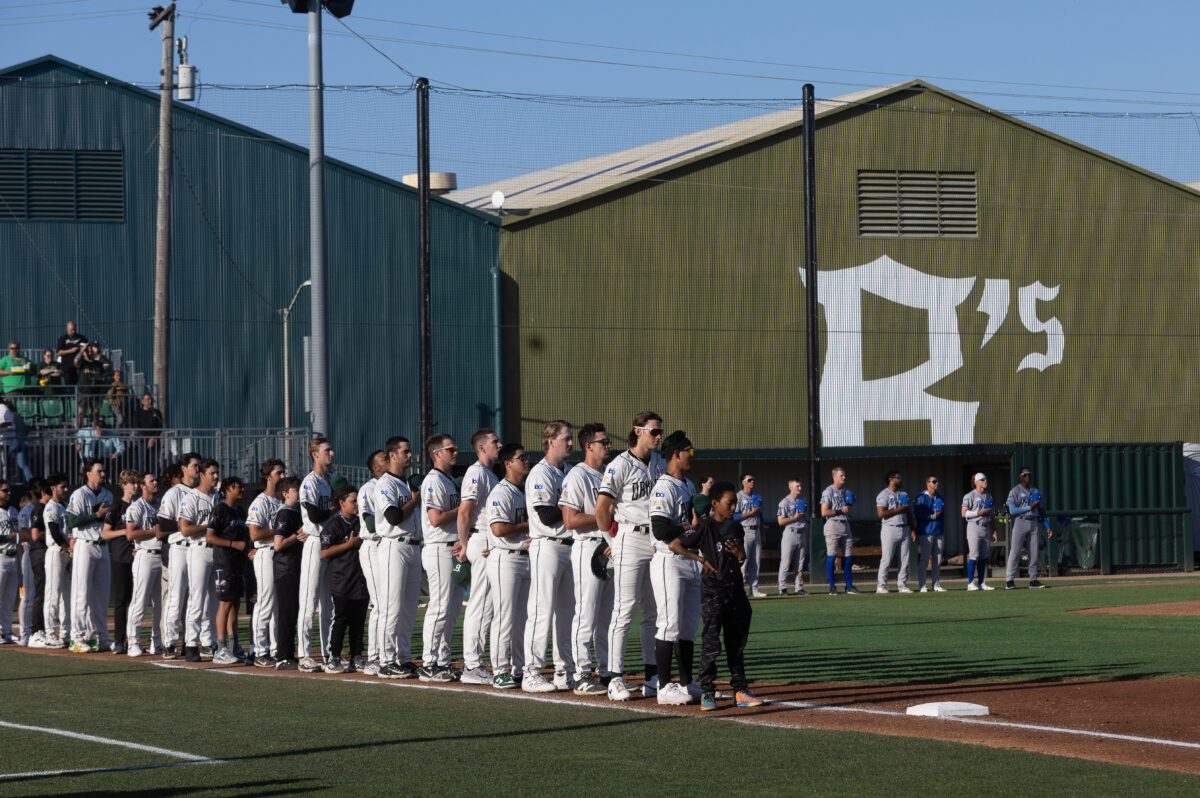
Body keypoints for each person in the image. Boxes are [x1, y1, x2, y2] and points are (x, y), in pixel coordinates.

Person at [673, 481, 763, 711]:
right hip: (713, 592)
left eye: (735, 503)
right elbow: (676, 544)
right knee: (711, 644)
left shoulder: (735, 528)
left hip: (736, 592)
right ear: (715, 503)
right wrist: (701, 560)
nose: (733, 507)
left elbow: (739, 558)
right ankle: (707, 692)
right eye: (729, 503)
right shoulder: (705, 526)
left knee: (737, 644)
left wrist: (741, 555)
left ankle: (740, 690)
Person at [595, 411, 666, 701]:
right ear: (637, 431)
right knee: (623, 610)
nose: (658, 435)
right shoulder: (619, 464)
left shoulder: (660, 462)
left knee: (653, 612)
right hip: (629, 537)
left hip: (656, 539)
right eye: (653, 431)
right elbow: (602, 507)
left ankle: (652, 677)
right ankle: (615, 677)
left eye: (660, 431)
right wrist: (609, 539)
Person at [648, 431, 702, 706]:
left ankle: (685, 682)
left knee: (688, 627)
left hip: (690, 560)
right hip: (668, 559)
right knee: (668, 623)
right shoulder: (664, 486)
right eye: (688, 451)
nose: (692, 456)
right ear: (676, 454)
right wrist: (688, 528)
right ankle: (663, 685)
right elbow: (659, 528)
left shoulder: (689, 485)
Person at [523, 420, 577, 693]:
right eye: (566, 438)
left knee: (567, 612)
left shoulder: (567, 471)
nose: (570, 442)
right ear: (550, 441)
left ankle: (563, 671)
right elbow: (546, 514)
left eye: (571, 438)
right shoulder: (540, 473)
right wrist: (571, 505)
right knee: (541, 610)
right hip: (548, 544)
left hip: (569, 545)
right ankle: (531, 671)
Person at [560, 422, 613, 696]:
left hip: (609, 547)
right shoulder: (577, 475)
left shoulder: (606, 474)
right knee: (586, 612)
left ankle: (606, 673)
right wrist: (604, 515)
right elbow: (570, 520)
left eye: (608, 442)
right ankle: (580, 673)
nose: (608, 446)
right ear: (588, 446)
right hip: (587, 545)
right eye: (603, 442)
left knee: (607, 616)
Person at [374, 436, 422, 680]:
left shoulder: (406, 483)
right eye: (405, 451)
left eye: (410, 451)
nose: (410, 455)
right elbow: (393, 517)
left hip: (413, 546)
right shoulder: (385, 484)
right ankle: (384, 660)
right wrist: (414, 501)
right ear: (392, 455)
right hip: (394, 546)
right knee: (391, 607)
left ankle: (403, 657)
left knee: (409, 608)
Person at [456, 428, 501, 686]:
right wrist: (464, 545)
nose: (499, 444)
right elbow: (465, 512)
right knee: (481, 604)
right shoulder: (476, 472)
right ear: (482, 447)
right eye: (494, 442)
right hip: (481, 539)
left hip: (486, 539)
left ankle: (476, 663)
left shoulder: (487, 473)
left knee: (488, 605)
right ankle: (472, 665)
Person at [486, 443, 531, 689]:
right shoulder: (500, 492)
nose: (526, 460)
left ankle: (519, 669)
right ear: (507, 463)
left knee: (523, 618)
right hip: (505, 558)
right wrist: (529, 525)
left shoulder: (523, 490)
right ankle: (500, 670)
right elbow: (499, 529)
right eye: (520, 457)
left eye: (526, 456)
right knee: (505, 618)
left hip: (524, 557)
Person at [297, 437, 335, 673]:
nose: (331, 453)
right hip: (314, 542)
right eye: (326, 450)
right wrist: (334, 508)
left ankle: (329, 652)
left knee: (328, 604)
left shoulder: (329, 481)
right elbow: (313, 516)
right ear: (315, 454)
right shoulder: (309, 482)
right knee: (309, 601)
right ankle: (304, 654)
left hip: (329, 544)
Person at [67, 458, 113, 653]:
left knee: (102, 597)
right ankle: (76, 638)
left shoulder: (108, 494)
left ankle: (102, 637)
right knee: (81, 594)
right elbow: (72, 520)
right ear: (88, 473)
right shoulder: (79, 494)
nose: (103, 474)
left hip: (103, 546)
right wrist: (96, 515)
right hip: (85, 545)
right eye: (99, 471)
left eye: (103, 471)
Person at [321, 484, 368, 673]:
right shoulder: (333, 525)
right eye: (353, 501)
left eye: (358, 500)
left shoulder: (361, 522)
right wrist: (349, 545)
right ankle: (333, 656)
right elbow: (325, 553)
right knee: (340, 619)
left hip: (360, 579)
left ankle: (356, 655)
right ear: (342, 503)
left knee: (358, 621)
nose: (357, 504)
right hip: (341, 580)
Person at [178, 459, 220, 661]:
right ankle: (191, 644)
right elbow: (185, 529)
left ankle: (210, 643)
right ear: (202, 475)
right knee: (197, 599)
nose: (216, 476)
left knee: (214, 601)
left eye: (217, 473)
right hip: (199, 550)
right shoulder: (191, 497)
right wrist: (209, 526)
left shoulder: (218, 497)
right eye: (212, 473)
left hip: (217, 550)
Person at [157, 455, 198, 659]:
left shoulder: (203, 493)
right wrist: (186, 525)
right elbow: (163, 526)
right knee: (176, 597)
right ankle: (170, 643)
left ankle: (191, 643)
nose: (197, 469)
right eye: (194, 466)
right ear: (183, 468)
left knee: (195, 599)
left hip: (198, 548)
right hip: (179, 547)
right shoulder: (173, 493)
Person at [209, 476, 249, 664]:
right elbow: (210, 537)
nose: (241, 489)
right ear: (227, 489)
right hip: (224, 562)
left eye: (241, 486)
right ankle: (220, 648)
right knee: (224, 603)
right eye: (237, 486)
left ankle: (234, 646)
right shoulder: (220, 510)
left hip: (238, 563)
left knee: (235, 603)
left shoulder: (240, 511)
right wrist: (233, 544)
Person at [248, 459, 285, 667]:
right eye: (278, 473)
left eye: (282, 473)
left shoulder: (281, 501)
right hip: (265, 552)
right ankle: (260, 651)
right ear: (267, 476)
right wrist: (280, 530)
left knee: (278, 605)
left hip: (280, 554)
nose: (281, 476)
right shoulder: (259, 502)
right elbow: (254, 533)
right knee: (265, 602)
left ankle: (276, 648)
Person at [124, 470, 164, 656]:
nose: (155, 482)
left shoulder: (160, 504)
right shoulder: (136, 506)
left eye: (155, 479)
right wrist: (155, 532)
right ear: (142, 486)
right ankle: (133, 642)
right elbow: (131, 534)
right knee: (140, 601)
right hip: (145, 555)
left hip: (162, 555)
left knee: (161, 603)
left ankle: (157, 641)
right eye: (151, 480)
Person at [101, 469, 139, 653]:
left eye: (137, 482)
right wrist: (125, 532)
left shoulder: (140, 505)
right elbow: (105, 533)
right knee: (122, 600)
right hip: (120, 557)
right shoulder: (116, 506)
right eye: (132, 483)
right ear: (123, 485)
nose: (136, 486)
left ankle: (134, 640)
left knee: (137, 601)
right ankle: (119, 640)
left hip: (139, 558)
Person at [355, 451, 386, 675]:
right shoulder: (369, 488)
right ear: (375, 468)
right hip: (373, 546)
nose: (390, 460)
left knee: (390, 604)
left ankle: (388, 654)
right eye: (385, 459)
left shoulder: (396, 484)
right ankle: (373, 658)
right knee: (378, 603)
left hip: (389, 547)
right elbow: (371, 523)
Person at [271, 476, 304, 670]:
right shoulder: (285, 513)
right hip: (285, 568)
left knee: (292, 612)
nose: (299, 492)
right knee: (286, 612)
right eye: (296, 490)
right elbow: (278, 544)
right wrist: (296, 535)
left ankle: (288, 653)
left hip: (292, 566)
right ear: (285, 494)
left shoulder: (294, 511)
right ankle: (283, 656)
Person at [1006, 467, 1050, 589]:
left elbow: (1041, 509)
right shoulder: (1015, 491)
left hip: (1034, 522)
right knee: (1015, 552)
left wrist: (1047, 526)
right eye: (1025, 475)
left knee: (1034, 552)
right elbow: (1012, 510)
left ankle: (1033, 580)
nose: (1027, 477)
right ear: (1020, 476)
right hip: (1021, 521)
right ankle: (1009, 580)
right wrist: (1029, 508)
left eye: (1029, 474)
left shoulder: (1035, 490)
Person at [42, 474, 71, 647]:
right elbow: (53, 531)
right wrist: (68, 547)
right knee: (53, 594)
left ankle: (65, 634)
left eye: (66, 486)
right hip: (56, 551)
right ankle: (50, 634)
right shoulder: (51, 507)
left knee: (66, 596)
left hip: (66, 552)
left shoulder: (65, 505)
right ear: (53, 488)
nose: (66, 490)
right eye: (63, 487)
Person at [820, 467, 859, 595]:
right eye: (841, 475)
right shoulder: (828, 491)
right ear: (835, 477)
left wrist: (849, 505)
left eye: (844, 475)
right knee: (831, 556)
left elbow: (847, 506)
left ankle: (849, 586)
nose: (844, 477)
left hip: (845, 523)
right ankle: (832, 587)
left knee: (848, 557)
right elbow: (824, 512)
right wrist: (839, 510)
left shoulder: (846, 491)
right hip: (833, 524)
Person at [875, 471, 913, 594]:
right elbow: (881, 513)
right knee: (887, 558)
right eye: (899, 477)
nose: (901, 479)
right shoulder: (883, 494)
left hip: (904, 528)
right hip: (890, 528)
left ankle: (902, 585)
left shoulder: (904, 494)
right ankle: (881, 586)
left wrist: (913, 529)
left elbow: (908, 512)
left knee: (905, 559)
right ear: (892, 479)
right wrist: (898, 509)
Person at [22, 479, 49, 647]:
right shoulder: (28, 510)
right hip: (31, 552)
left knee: (45, 594)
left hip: (44, 551)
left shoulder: (48, 507)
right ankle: (28, 633)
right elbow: (26, 534)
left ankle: (42, 630)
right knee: (30, 596)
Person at [962, 472, 996, 591]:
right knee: (974, 555)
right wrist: (978, 513)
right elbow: (964, 513)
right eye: (982, 479)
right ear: (976, 482)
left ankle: (981, 582)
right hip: (974, 526)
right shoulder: (970, 495)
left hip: (986, 526)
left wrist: (994, 530)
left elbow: (991, 515)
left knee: (983, 556)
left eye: (985, 479)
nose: (985, 481)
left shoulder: (989, 496)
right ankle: (970, 583)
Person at [912, 475, 947, 592]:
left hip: (939, 531)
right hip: (926, 532)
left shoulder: (939, 497)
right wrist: (932, 516)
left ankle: (936, 584)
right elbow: (918, 515)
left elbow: (941, 514)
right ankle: (922, 585)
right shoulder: (921, 498)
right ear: (928, 483)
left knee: (937, 560)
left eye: (937, 481)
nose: (936, 483)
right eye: (934, 481)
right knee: (925, 559)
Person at [776, 479, 808, 596]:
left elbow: (804, 517)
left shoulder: (803, 500)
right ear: (790, 487)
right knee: (786, 562)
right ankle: (782, 588)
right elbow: (780, 521)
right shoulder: (784, 502)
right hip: (790, 532)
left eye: (800, 486)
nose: (800, 488)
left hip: (802, 532)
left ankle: (798, 588)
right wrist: (795, 518)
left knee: (800, 563)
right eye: (797, 486)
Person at [735, 474, 766, 598]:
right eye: (749, 480)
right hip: (744, 530)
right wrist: (750, 513)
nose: (752, 481)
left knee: (756, 561)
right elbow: (734, 516)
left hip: (757, 529)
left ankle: (754, 589)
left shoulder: (757, 496)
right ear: (743, 482)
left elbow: (760, 516)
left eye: (753, 479)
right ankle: (740, 589)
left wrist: (763, 534)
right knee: (743, 562)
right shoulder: (738, 496)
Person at [0, 482, 19, 643]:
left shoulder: (13, 511)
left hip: (14, 556)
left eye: (9, 490)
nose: (8, 492)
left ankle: (6, 632)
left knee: (9, 599)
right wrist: (8, 537)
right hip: (0, 556)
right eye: (5, 490)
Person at [0, 399, 34, 483]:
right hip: (19, 441)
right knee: (22, 464)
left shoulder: (8, 413)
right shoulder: (16, 415)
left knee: (5, 463)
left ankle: (8, 479)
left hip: (12, 441)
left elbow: (7, 424)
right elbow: (26, 430)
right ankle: (31, 481)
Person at [131, 393, 165, 468]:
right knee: (142, 462)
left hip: (154, 441)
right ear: (142, 401)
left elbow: (160, 426)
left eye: (150, 399)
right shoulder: (138, 413)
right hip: (142, 441)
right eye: (147, 399)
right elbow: (137, 427)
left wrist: (153, 438)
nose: (149, 401)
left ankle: (154, 478)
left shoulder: (156, 412)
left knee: (154, 462)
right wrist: (147, 439)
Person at [56, 321, 87, 386]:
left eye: (74, 329)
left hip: (79, 368)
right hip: (67, 368)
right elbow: (59, 353)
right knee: (69, 386)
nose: (73, 331)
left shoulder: (81, 338)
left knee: (79, 385)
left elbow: (87, 347)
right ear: (67, 329)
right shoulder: (63, 339)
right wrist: (71, 350)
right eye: (71, 330)